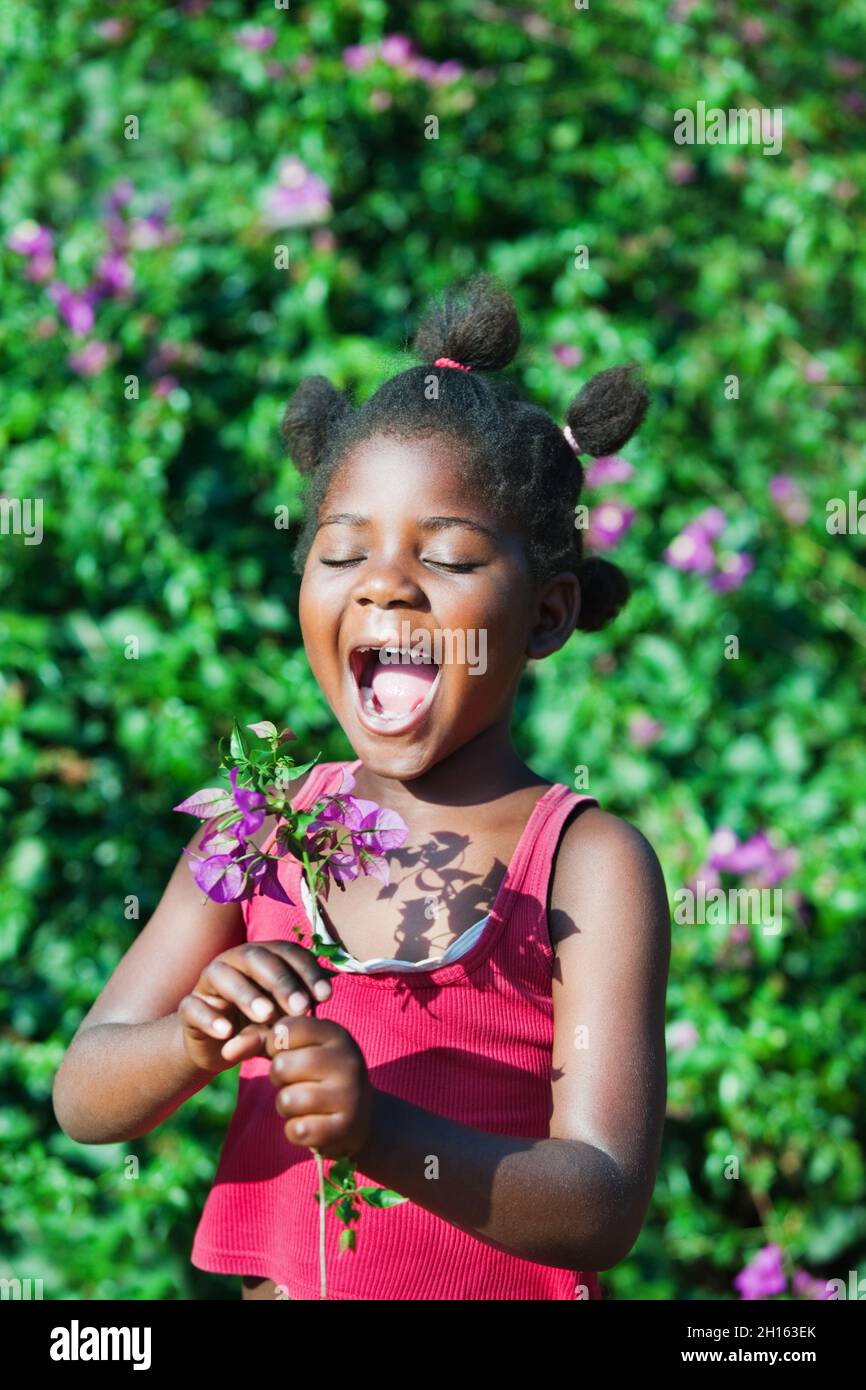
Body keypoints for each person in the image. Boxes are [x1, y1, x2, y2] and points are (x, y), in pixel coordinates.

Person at [52, 273, 670, 1301]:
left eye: (444, 556)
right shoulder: (259, 829)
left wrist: (378, 1132)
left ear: (548, 615)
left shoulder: (585, 866)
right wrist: (196, 1032)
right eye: (342, 553)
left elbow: (600, 1201)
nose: (383, 582)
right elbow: (86, 1092)